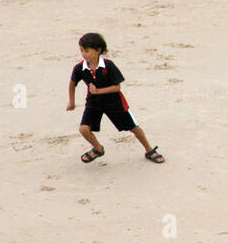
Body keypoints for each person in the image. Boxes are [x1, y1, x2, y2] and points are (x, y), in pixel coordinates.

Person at [67, 33, 164, 164]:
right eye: (81, 51)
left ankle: (149, 149)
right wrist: (72, 101)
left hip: (114, 103)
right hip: (93, 103)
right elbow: (72, 83)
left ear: (98, 50)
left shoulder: (108, 65)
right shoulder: (80, 68)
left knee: (133, 128)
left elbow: (117, 87)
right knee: (84, 129)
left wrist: (98, 91)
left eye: (87, 51)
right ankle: (98, 148)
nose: (83, 54)